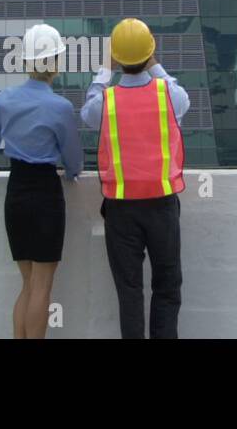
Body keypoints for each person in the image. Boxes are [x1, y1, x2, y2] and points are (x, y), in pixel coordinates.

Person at [81, 18, 189, 339]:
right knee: (167, 286)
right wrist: (155, 66)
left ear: (115, 58)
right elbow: (180, 93)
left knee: (129, 292)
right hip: (162, 205)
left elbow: (87, 112)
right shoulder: (169, 95)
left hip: (121, 209)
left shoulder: (106, 102)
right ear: (151, 53)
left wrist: (104, 70)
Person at [0, 24, 83, 339]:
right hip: (46, 194)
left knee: (27, 283)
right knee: (42, 287)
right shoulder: (60, 107)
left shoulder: (5, 100)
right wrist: (73, 174)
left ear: (26, 61)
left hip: (16, 192)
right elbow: (73, 161)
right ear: (56, 63)